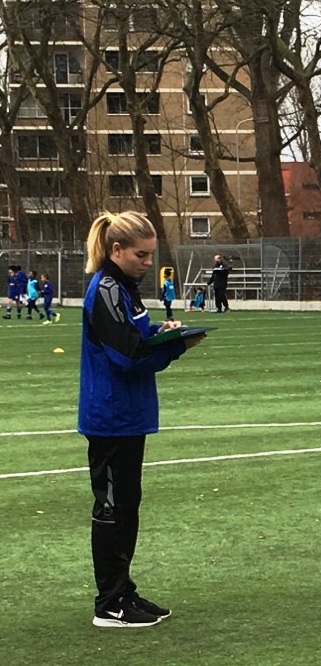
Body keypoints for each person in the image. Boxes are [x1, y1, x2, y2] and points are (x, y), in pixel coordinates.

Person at [79, 211, 205, 628]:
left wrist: (163, 330)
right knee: (112, 507)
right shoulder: (108, 289)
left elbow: (135, 334)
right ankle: (109, 604)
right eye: (141, 255)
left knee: (127, 506)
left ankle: (122, 590)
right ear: (116, 251)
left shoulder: (125, 289)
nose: (148, 263)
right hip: (110, 416)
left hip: (128, 415)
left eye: (151, 255)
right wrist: (176, 346)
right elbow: (128, 355)